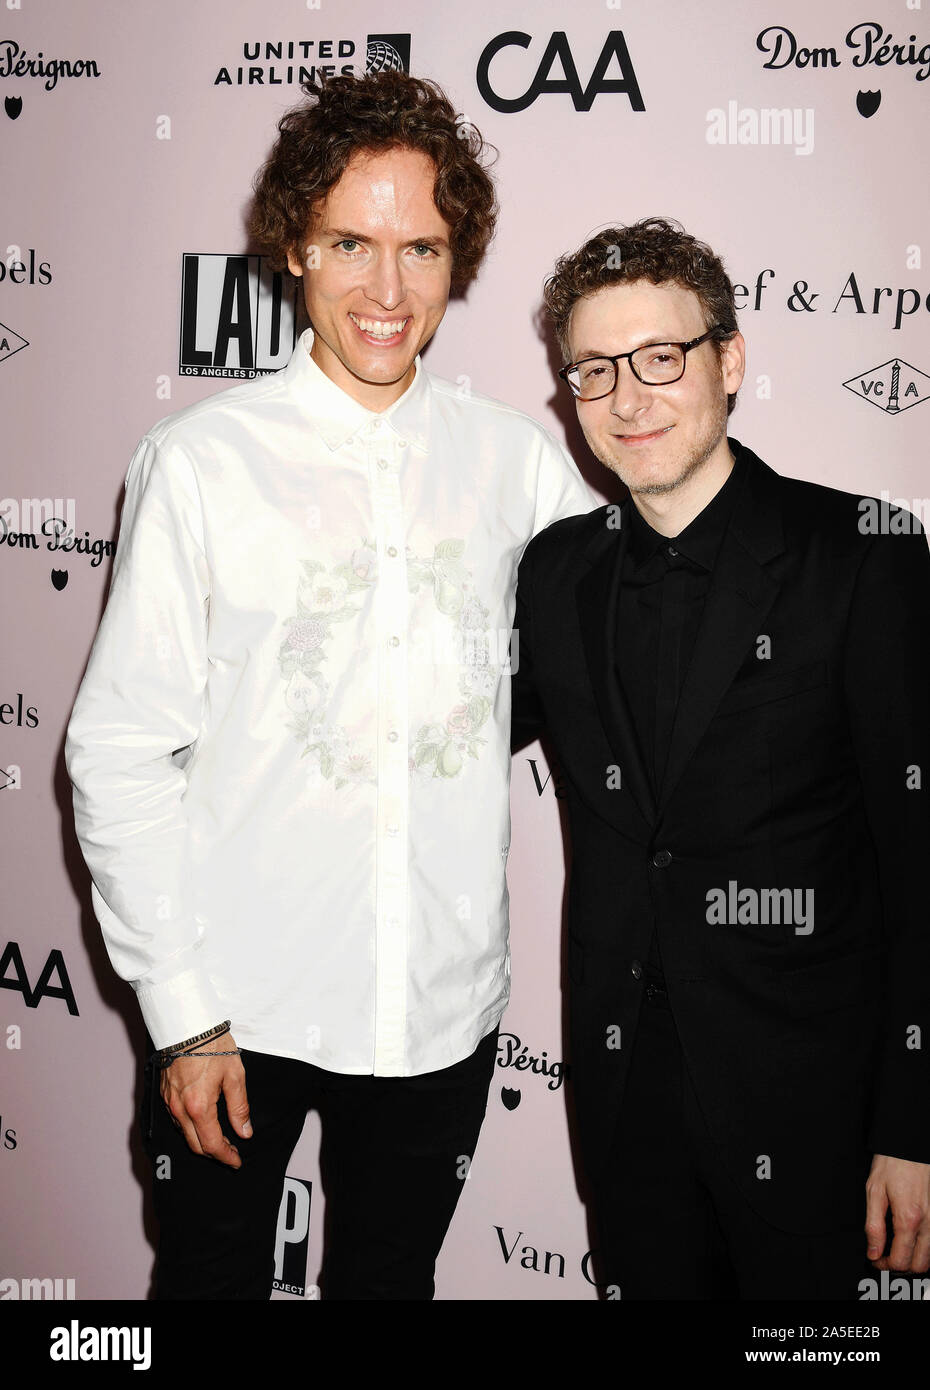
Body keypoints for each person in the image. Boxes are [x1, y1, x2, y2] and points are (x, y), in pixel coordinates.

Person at [64, 70, 593, 1301]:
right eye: (353, 242)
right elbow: (121, 751)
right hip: (240, 1010)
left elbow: (635, 623)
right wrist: (184, 1015)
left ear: (458, 259)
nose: (389, 290)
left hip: (441, 1016)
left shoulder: (515, 463)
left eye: (423, 247)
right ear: (297, 243)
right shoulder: (201, 466)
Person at [511, 216, 930, 1299]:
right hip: (626, 1105)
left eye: (662, 357)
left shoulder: (863, 555)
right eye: (595, 370)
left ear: (730, 360)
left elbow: (922, 861)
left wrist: (915, 1124)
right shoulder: (554, 574)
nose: (630, 399)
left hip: (815, 1110)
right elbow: (439, 738)